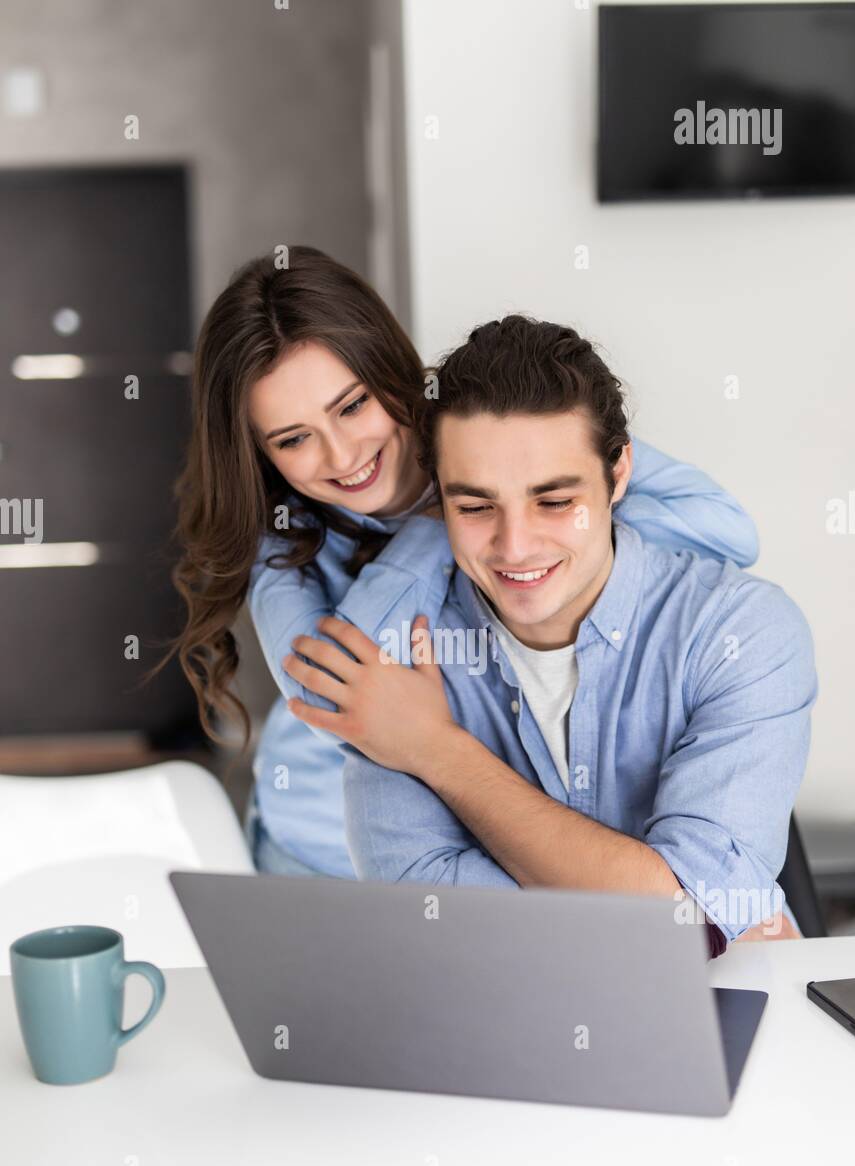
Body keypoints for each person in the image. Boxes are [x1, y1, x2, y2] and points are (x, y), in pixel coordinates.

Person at [171, 247, 758, 880]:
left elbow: (728, 533)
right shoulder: (282, 542)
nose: (341, 455)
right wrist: (440, 521)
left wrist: (513, 504)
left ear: (390, 371)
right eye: (292, 439)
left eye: (352, 406)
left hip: (473, 850)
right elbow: (336, 704)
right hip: (313, 854)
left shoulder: (485, 433)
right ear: (260, 454)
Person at [283, 316, 818, 950]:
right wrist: (663, 899)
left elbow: (690, 922)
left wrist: (436, 749)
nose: (515, 546)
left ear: (618, 473)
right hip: (495, 1022)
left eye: (555, 501)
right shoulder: (394, 659)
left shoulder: (740, 630)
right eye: (476, 506)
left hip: (732, 1016)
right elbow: (429, 921)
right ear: (438, 501)